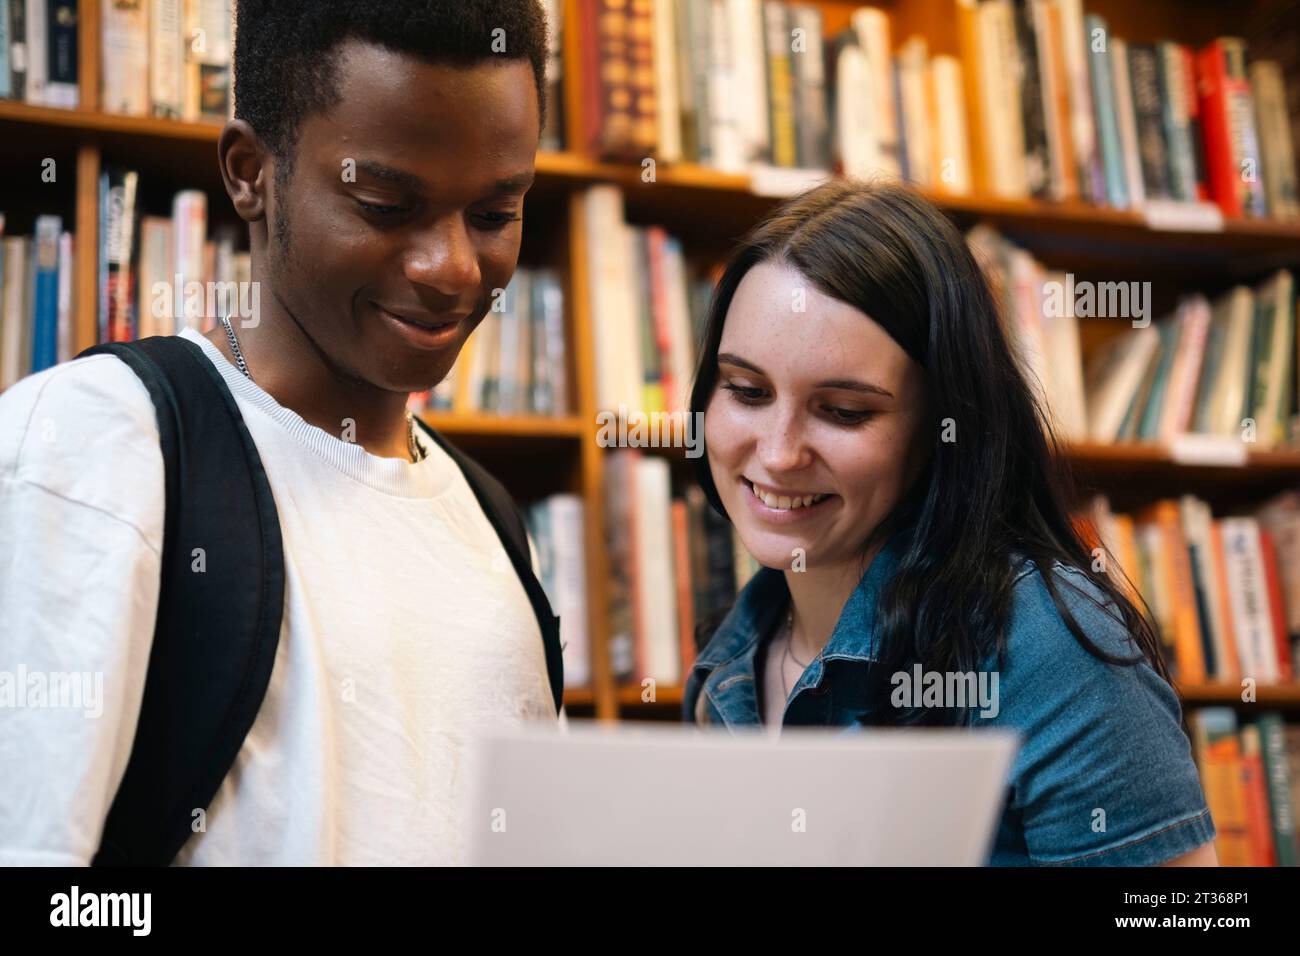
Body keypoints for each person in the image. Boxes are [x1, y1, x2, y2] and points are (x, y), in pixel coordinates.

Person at [0, 0, 558, 865]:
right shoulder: (99, 440)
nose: (451, 267)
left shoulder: (488, 516)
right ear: (250, 171)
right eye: (384, 203)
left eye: (493, 214)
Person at [681, 179, 1218, 866]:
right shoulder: (730, 656)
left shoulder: (1047, 648)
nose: (779, 453)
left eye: (844, 411)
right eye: (747, 392)